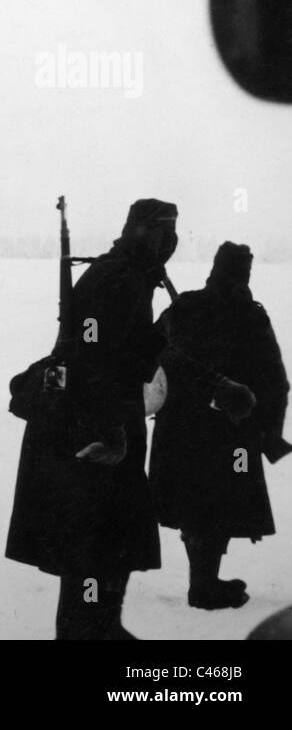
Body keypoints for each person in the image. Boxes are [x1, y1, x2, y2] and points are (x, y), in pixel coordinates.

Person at [6, 199, 178, 639]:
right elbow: (90, 357)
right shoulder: (116, 277)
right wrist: (108, 431)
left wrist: (159, 334)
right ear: (140, 230)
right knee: (90, 545)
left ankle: (102, 626)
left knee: (108, 541)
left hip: (103, 426)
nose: (170, 239)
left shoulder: (133, 275)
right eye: (162, 229)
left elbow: (123, 351)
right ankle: (89, 631)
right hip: (88, 432)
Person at [149, 242, 290, 609]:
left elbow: (149, 353)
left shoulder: (183, 307)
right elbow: (276, 381)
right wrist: (270, 432)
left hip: (179, 431)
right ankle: (205, 587)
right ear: (244, 274)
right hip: (230, 431)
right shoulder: (250, 315)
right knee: (216, 508)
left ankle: (204, 582)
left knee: (195, 510)